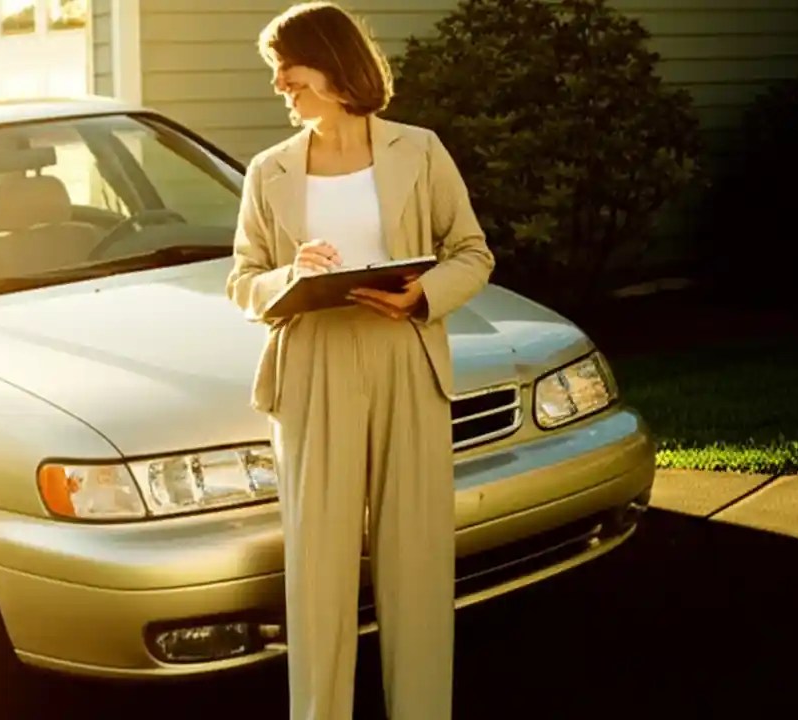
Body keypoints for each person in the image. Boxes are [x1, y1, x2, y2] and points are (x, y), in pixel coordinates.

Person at [224, 3, 495, 719]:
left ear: (335, 65)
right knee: (319, 570)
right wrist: (291, 275)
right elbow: (242, 282)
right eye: (273, 71)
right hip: (311, 368)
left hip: (406, 358)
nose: (279, 83)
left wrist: (422, 295)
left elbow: (472, 252)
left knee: (417, 564)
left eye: (289, 67)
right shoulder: (268, 171)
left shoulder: (420, 149)